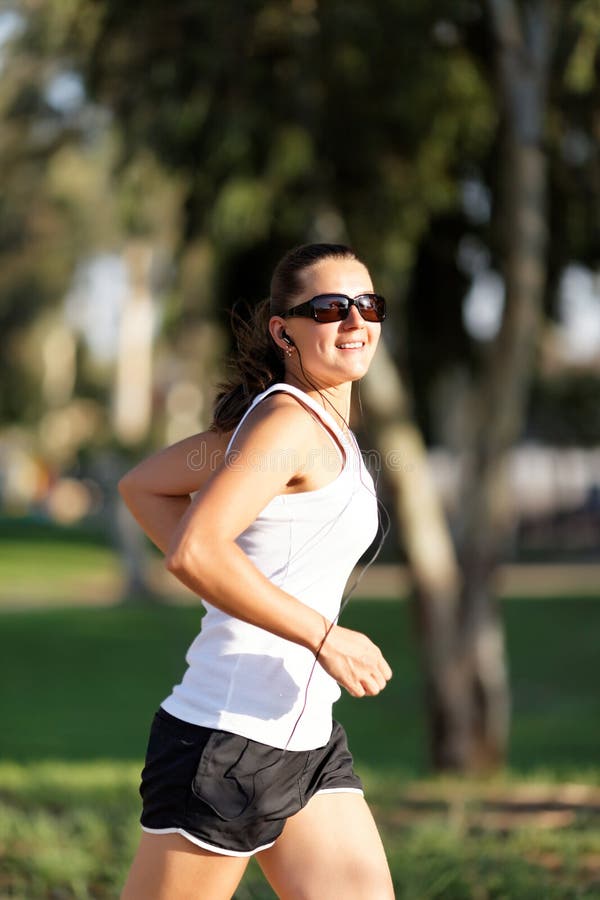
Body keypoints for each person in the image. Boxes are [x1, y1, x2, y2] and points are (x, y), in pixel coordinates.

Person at [118, 242, 395, 900]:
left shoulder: (301, 420)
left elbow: (145, 486)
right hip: (230, 739)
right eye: (329, 308)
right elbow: (194, 550)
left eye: (368, 305)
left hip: (307, 739)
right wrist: (323, 636)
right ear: (283, 330)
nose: (354, 321)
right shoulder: (285, 423)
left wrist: (232, 583)